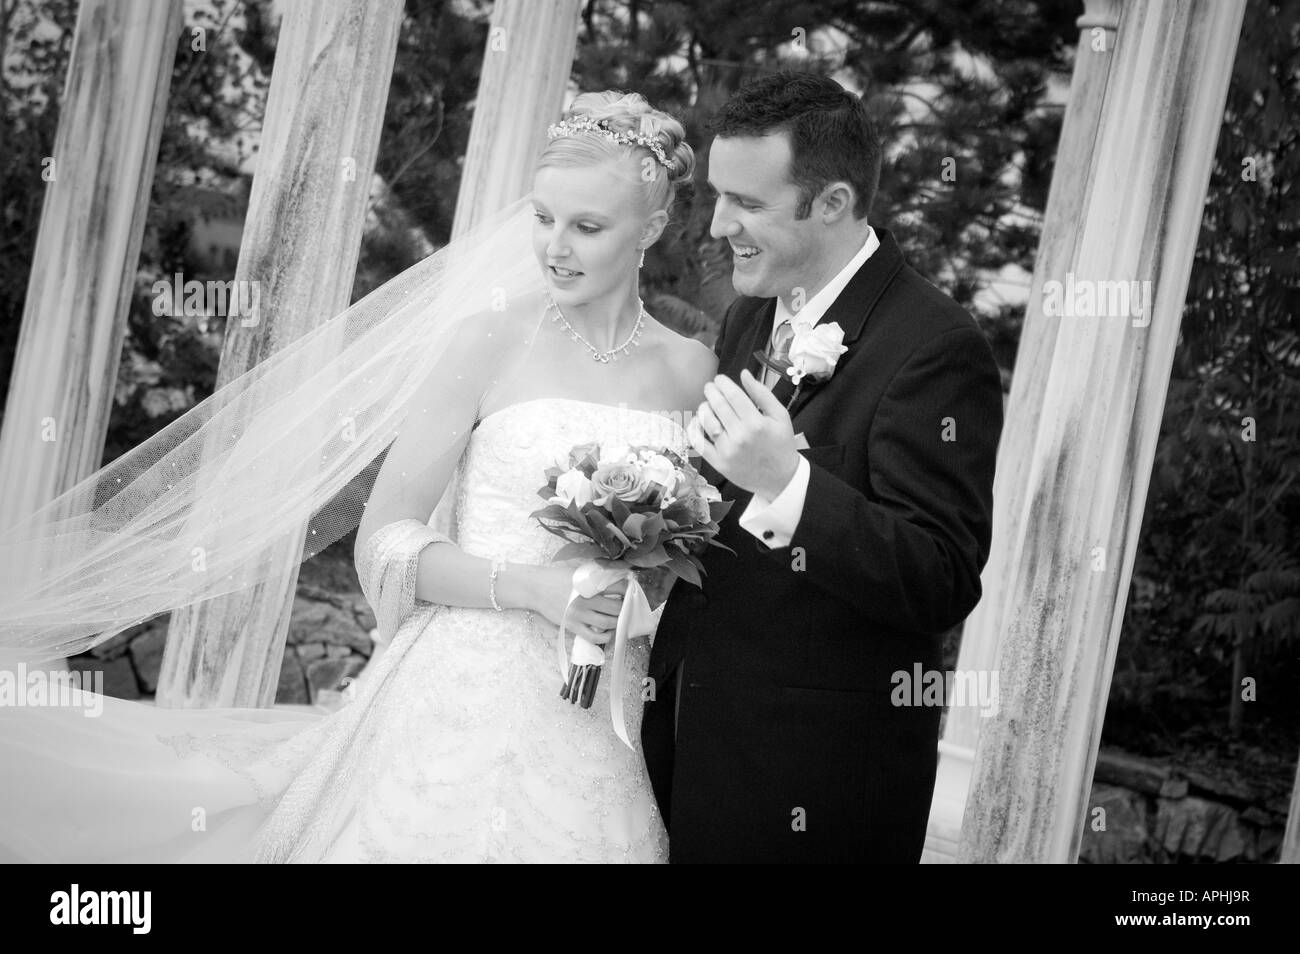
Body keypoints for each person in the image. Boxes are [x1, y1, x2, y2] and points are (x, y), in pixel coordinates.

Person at [0, 91, 712, 863]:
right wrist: (533, 587)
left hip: (604, 719)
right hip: (460, 698)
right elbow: (387, 540)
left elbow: (687, 565)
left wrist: (638, 595)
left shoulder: (692, 368)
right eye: (543, 218)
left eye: (588, 227)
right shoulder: (487, 339)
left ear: (653, 227)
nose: (555, 248)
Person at [643, 72, 1005, 863]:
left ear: (833, 203)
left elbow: (941, 578)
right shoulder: (748, 316)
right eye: (716, 196)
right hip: (687, 749)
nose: (717, 225)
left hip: (814, 789)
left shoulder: (935, 346)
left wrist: (789, 485)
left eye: (747, 203)